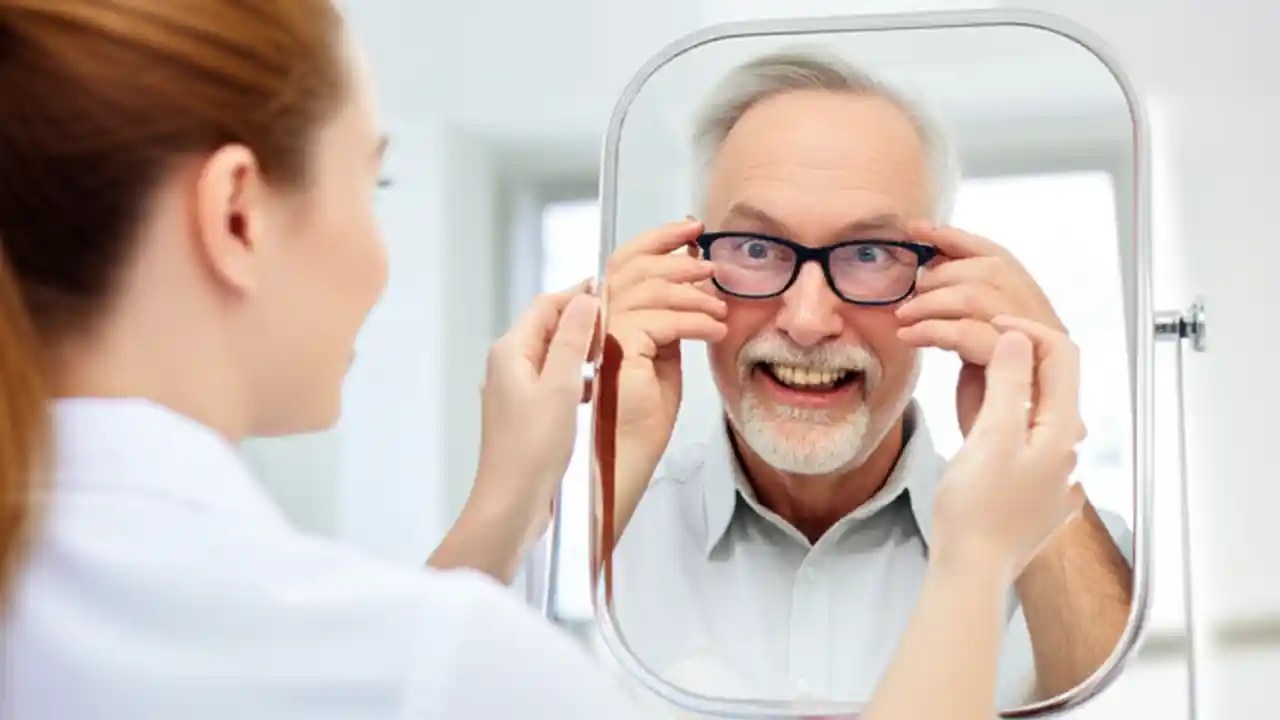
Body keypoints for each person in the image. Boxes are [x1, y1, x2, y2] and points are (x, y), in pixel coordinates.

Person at [0, 2, 1088, 718]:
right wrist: (973, 558)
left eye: (867, 252)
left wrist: (509, 500)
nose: (805, 314)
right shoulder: (432, 648)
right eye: (373, 186)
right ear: (238, 213)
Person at [603, 51, 1135, 706]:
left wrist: (1032, 436)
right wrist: (606, 458)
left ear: (940, 278)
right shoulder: (613, 535)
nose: (807, 320)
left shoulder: (1064, 549)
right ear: (689, 265)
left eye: (868, 253)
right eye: (757, 248)